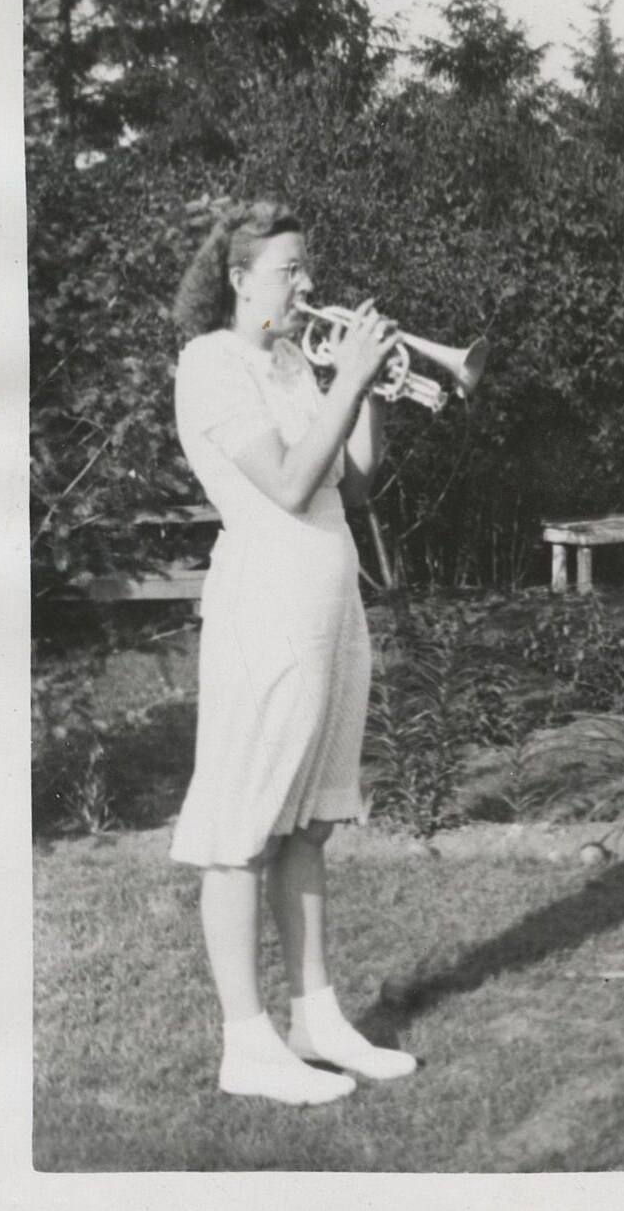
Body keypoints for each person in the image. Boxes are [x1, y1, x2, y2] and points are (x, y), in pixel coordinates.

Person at [171, 199, 417, 1106]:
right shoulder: (211, 364)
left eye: (306, 266)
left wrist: (368, 387)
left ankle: (316, 1018)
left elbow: (353, 482)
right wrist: (346, 377)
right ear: (239, 279)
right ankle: (246, 1044)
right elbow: (284, 480)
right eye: (289, 270)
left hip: (329, 600)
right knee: (242, 830)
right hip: (265, 607)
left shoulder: (286, 360)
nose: (307, 283)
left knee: (309, 822)